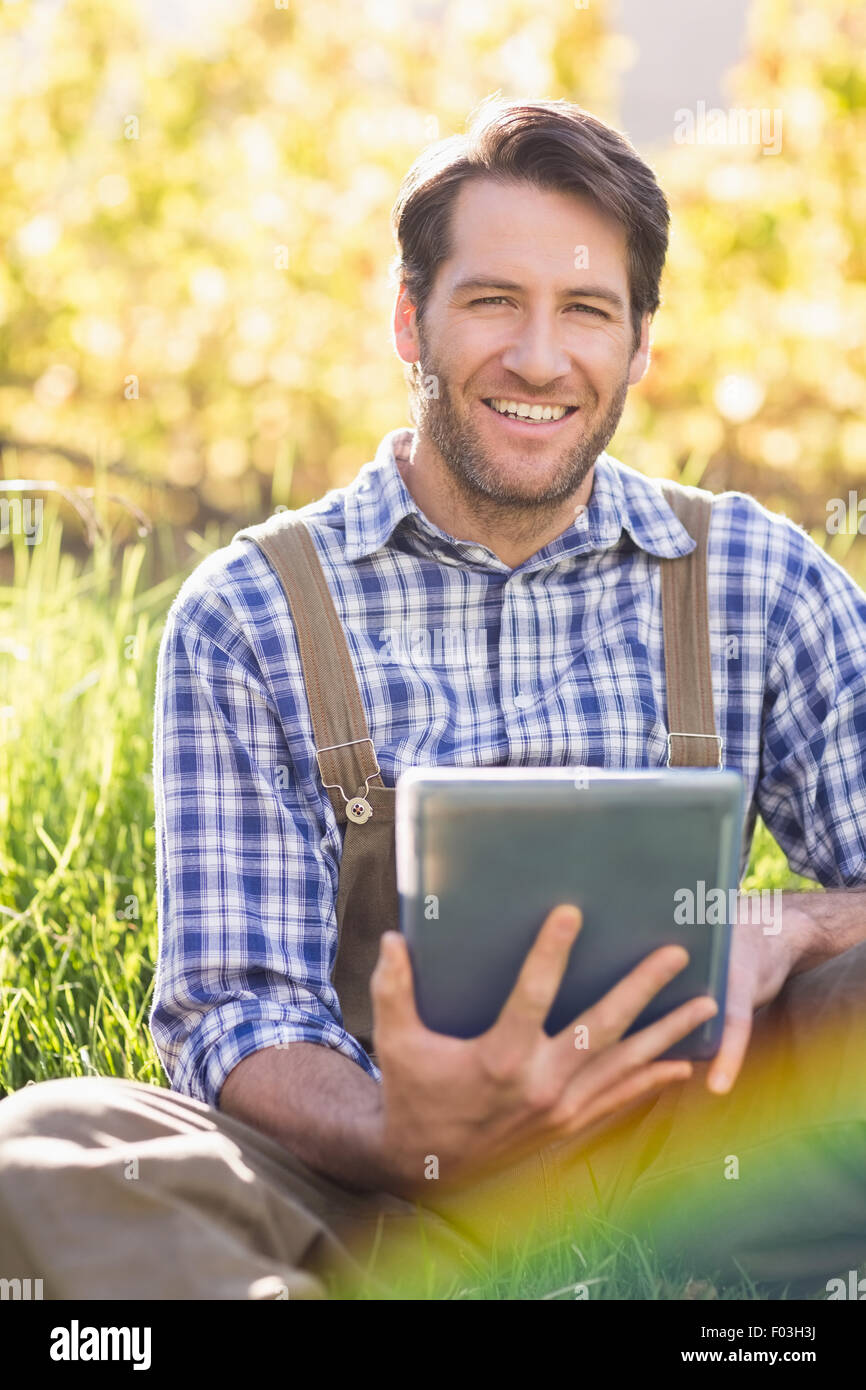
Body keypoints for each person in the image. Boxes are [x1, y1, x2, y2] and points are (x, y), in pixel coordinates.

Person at [2, 97, 866, 1301]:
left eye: (585, 312)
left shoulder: (758, 582)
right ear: (409, 322)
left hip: (709, 1173)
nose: (538, 357)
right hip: (380, 1193)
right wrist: (401, 1133)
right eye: (491, 302)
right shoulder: (250, 611)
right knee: (44, 1148)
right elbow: (236, 1013)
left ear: (639, 345)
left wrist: (794, 927)